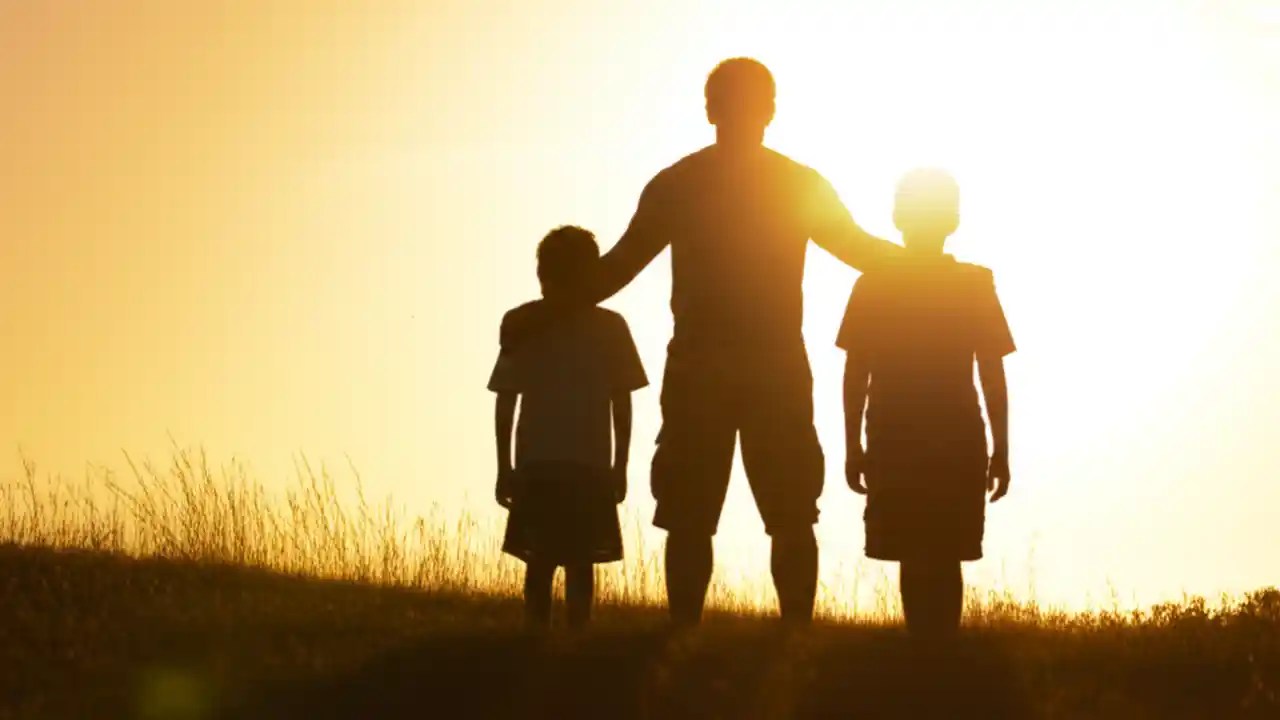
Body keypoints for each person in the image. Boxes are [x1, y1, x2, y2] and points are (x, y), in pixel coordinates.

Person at [585, 58, 901, 626]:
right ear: (770, 111)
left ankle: (688, 634)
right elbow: (860, 249)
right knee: (781, 513)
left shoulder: (681, 183)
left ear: (711, 109)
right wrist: (924, 265)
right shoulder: (790, 184)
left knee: (700, 514)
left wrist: (555, 298)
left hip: (712, 369)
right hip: (766, 366)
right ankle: (790, 636)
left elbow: (617, 269)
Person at [839, 168, 1015, 639]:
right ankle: (936, 652)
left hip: (899, 433)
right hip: (953, 433)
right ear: (952, 220)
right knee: (943, 550)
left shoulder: (873, 284)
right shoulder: (974, 283)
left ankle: (925, 650)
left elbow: (856, 373)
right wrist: (1001, 448)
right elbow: (992, 373)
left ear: (899, 218)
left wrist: (853, 444)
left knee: (917, 550)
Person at [488, 226, 649, 630]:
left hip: (548, 464)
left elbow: (506, 399)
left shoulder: (523, 323)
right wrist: (620, 464)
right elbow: (623, 400)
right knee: (575, 563)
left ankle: (542, 638)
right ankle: (568, 639)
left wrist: (505, 467)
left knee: (546, 561)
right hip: (578, 464)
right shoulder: (597, 326)